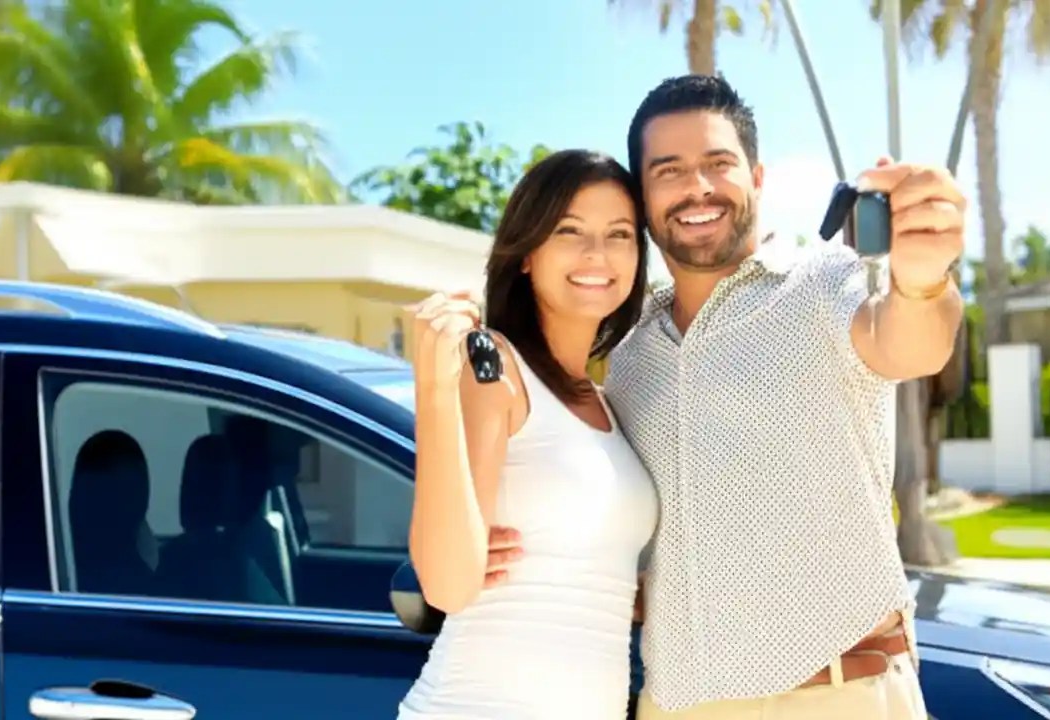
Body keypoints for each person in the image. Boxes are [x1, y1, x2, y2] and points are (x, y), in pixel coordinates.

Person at [487, 75, 966, 719]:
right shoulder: (626, 364)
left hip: (838, 697)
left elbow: (910, 344)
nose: (697, 188)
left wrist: (923, 281)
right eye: (669, 171)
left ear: (758, 177)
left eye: (718, 164)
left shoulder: (827, 286)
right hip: (675, 706)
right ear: (643, 198)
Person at [397, 148, 659, 720]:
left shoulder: (603, 400)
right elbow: (447, 585)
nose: (597, 254)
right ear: (525, 254)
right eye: (570, 231)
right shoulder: (497, 373)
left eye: (619, 234)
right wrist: (434, 389)